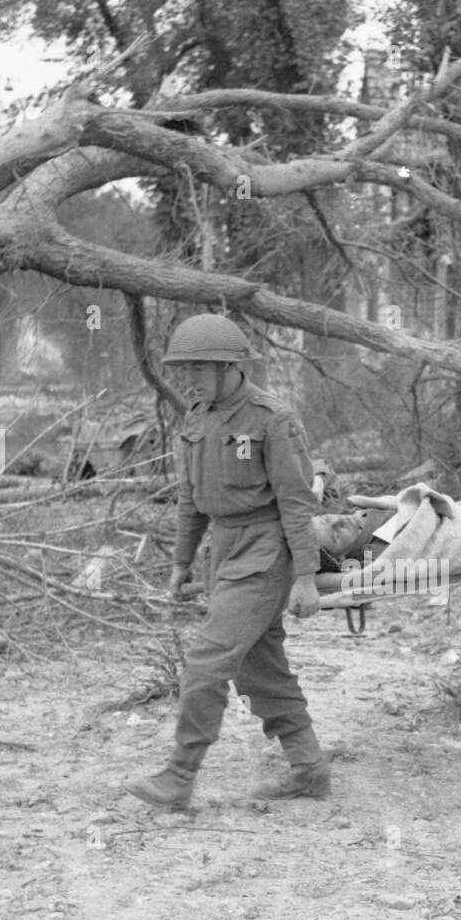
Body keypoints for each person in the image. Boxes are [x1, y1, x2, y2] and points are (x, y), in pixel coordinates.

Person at [126, 314, 328, 811]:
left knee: (206, 662)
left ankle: (179, 775)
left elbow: (297, 505)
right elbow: (191, 500)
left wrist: (305, 578)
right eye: (184, 368)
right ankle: (309, 769)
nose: (189, 378)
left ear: (231, 366)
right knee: (260, 669)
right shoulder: (197, 418)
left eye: (199, 367)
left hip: (265, 551)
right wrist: (181, 563)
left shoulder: (273, 420)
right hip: (225, 552)